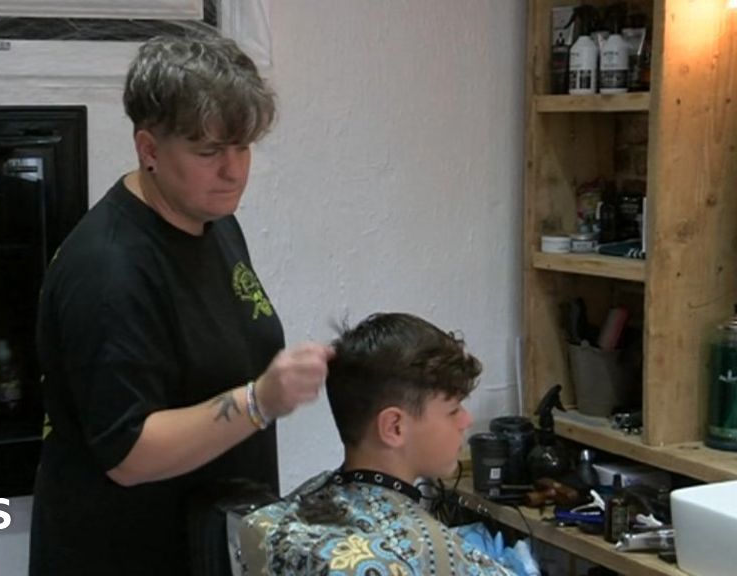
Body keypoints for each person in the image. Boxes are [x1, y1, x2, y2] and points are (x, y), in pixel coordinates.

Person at [29, 33, 333, 575]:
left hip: (213, 543)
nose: (233, 170)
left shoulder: (213, 222)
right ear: (149, 149)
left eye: (243, 147)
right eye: (208, 151)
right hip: (127, 556)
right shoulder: (108, 271)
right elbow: (128, 454)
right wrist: (260, 400)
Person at [239, 313, 515, 575]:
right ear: (394, 427)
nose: (467, 420)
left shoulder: (275, 519)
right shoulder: (421, 558)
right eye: (454, 409)